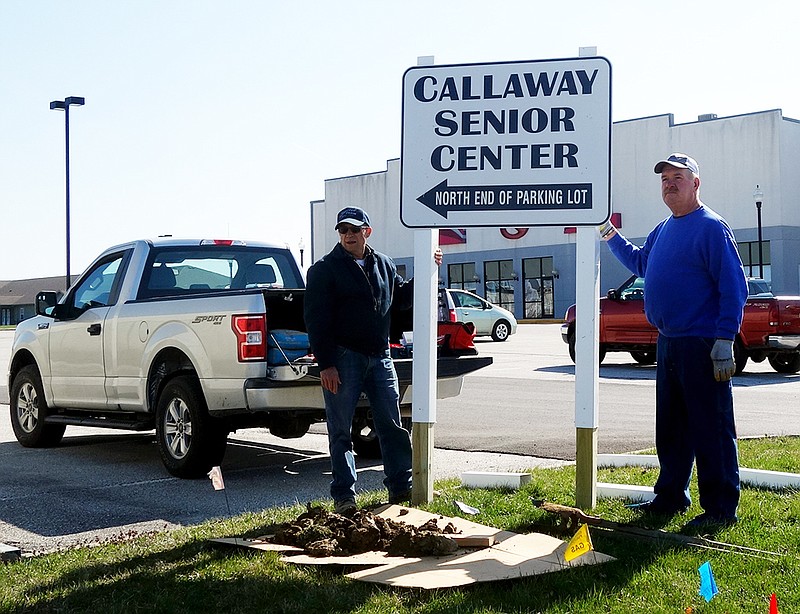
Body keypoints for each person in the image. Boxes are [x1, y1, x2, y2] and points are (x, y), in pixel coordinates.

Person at [598, 153, 748, 528]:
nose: (669, 184)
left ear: (696, 183)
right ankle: (669, 497)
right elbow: (642, 264)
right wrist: (607, 232)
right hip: (667, 342)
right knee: (672, 428)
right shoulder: (663, 229)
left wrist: (724, 340)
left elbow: (734, 288)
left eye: (677, 177)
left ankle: (719, 509)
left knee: (711, 428)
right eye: (664, 179)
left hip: (702, 344)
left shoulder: (712, 228)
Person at [304, 206, 442, 514]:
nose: (349, 236)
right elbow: (316, 320)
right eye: (343, 231)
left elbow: (402, 300)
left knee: (391, 424)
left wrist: (427, 270)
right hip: (342, 359)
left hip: (381, 357)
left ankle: (401, 488)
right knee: (340, 430)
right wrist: (326, 363)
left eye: (354, 230)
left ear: (368, 231)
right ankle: (343, 497)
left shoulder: (384, 264)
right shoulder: (324, 269)